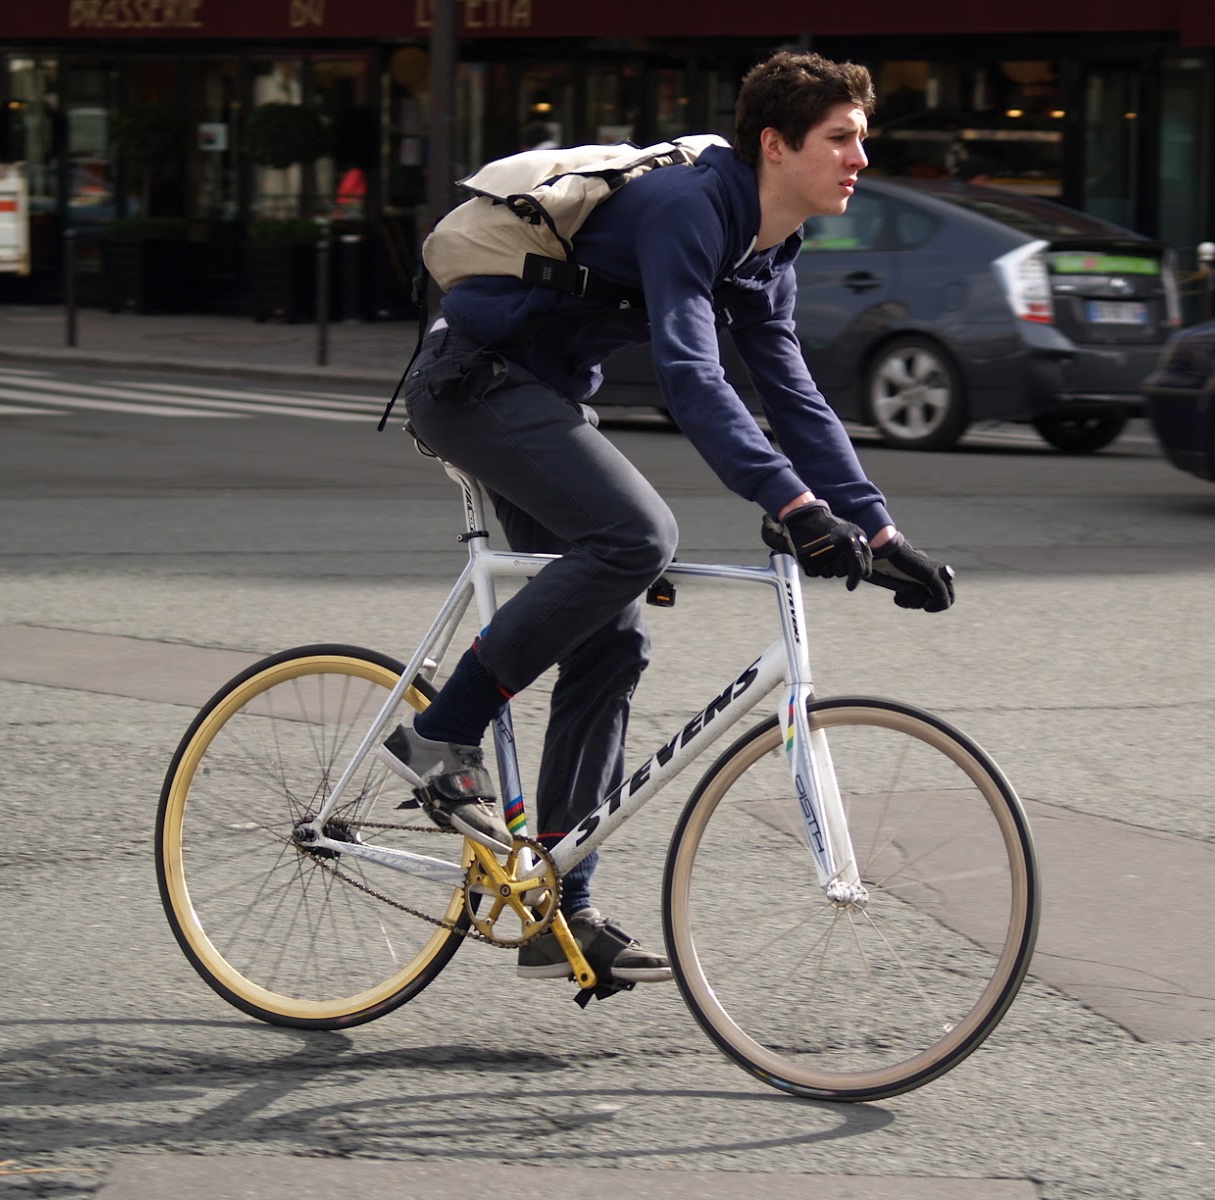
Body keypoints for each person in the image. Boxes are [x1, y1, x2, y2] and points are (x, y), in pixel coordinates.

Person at [380, 50, 957, 991]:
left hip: (542, 395)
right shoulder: (693, 207)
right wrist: (791, 505)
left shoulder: (769, 246)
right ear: (776, 145)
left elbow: (792, 393)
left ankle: (559, 911)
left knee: (613, 640)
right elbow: (693, 374)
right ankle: (441, 733)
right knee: (638, 539)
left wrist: (879, 532)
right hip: (475, 382)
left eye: (861, 139)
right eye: (840, 138)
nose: (860, 158)